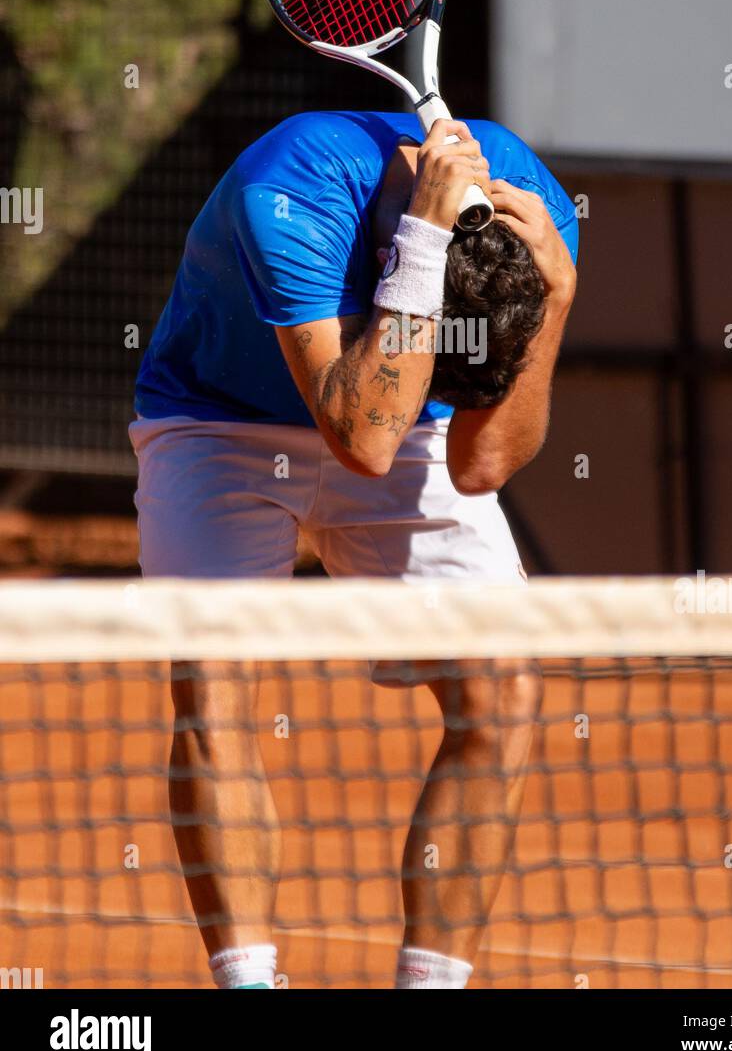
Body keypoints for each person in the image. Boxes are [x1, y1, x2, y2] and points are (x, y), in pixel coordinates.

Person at [130, 109, 578, 989]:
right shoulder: (288, 190)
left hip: (401, 409)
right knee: (215, 682)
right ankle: (250, 983)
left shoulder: (538, 222)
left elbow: (482, 461)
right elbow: (359, 439)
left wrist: (556, 299)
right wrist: (421, 242)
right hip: (221, 419)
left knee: (506, 691)